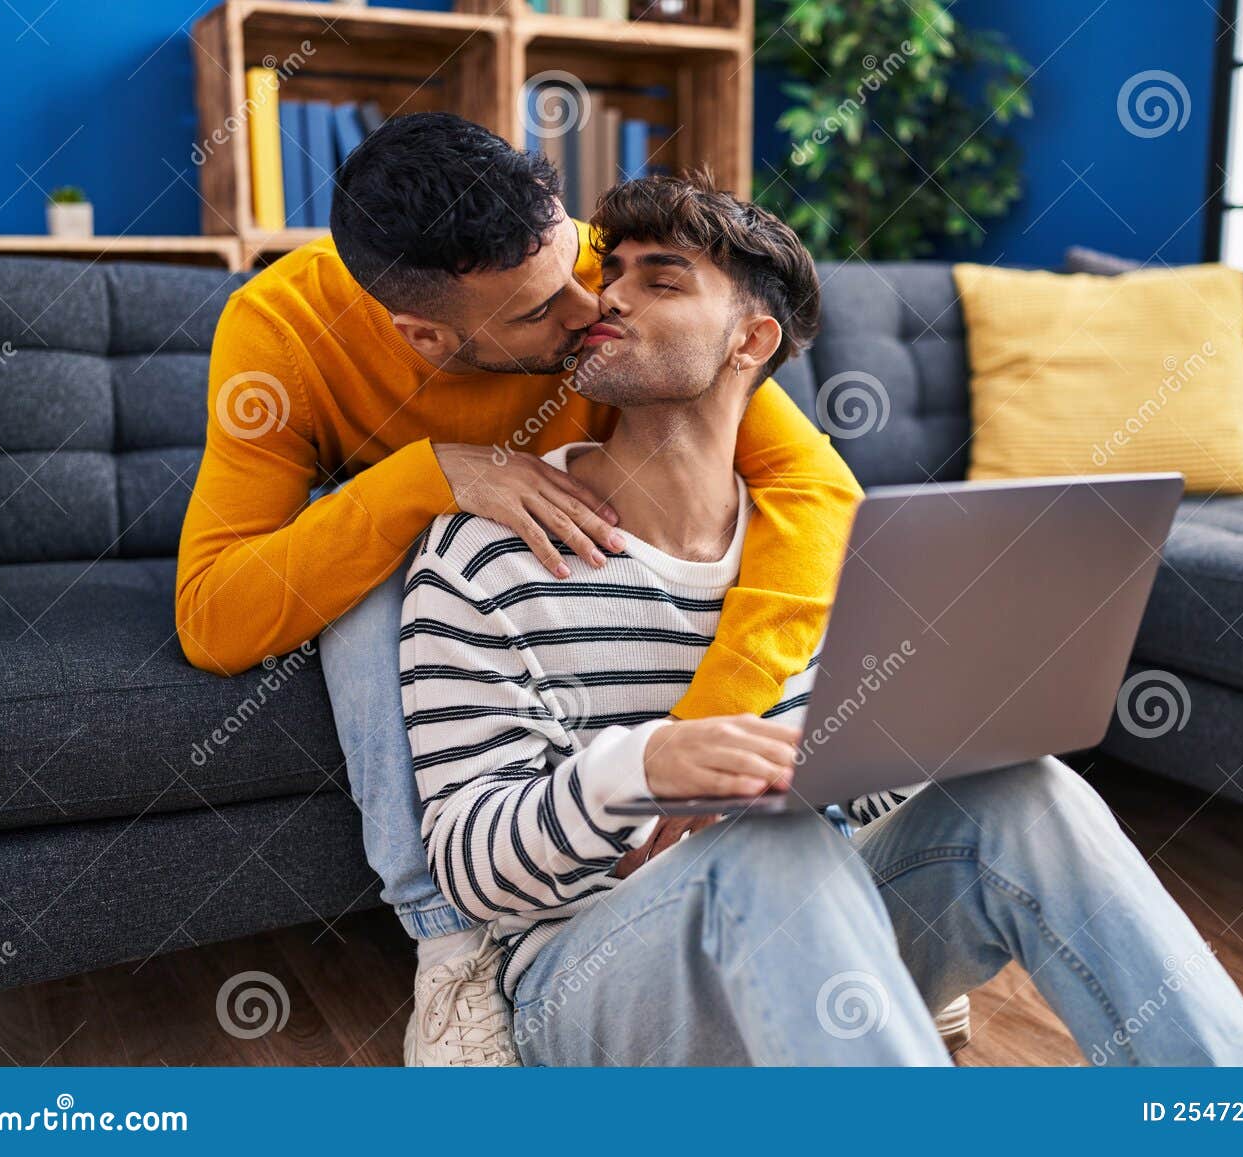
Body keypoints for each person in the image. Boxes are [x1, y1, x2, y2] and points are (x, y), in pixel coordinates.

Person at [399, 173, 1243, 1066]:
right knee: (766, 853)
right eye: (614, 271)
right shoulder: (485, 553)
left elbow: (857, 795)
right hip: (586, 977)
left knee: (1029, 790)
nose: (608, 298)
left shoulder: (817, 556)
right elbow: (473, 872)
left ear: (752, 340)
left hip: (823, 941)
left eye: (660, 280)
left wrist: (925, 745)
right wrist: (642, 765)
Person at [174, 114, 862, 1064]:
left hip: (601, 590)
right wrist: (430, 476)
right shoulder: (279, 333)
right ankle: (451, 948)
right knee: (374, 571)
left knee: (775, 536)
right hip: (449, 572)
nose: (592, 312)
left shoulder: (589, 276)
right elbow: (213, 616)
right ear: (425, 334)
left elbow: (819, 489)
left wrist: (703, 736)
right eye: (543, 313)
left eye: (585, 267)